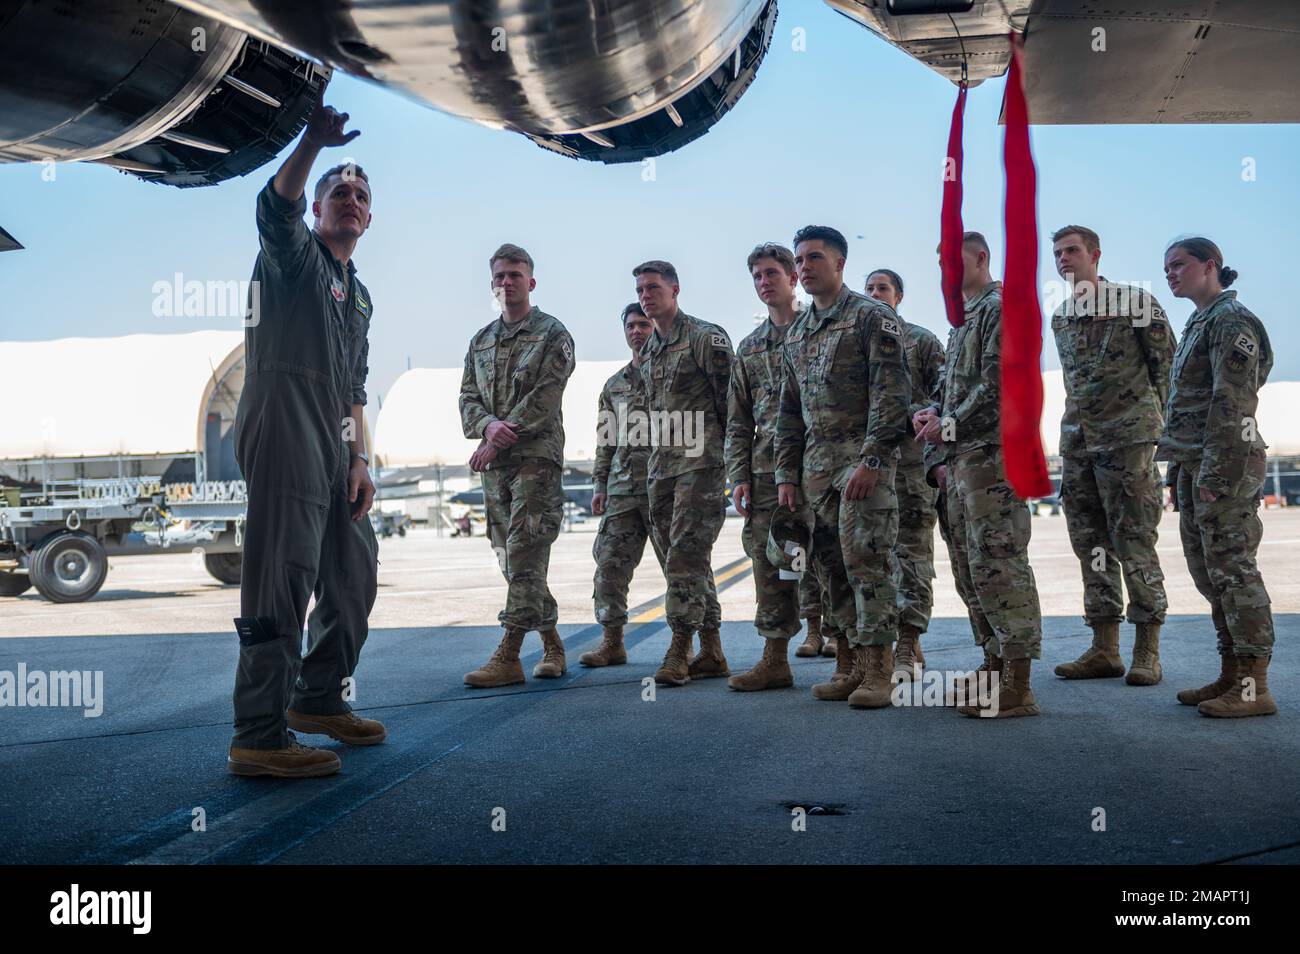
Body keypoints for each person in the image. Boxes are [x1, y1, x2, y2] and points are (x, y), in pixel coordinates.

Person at [228, 105, 383, 779]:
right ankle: (258, 734)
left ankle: (318, 700)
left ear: (369, 219)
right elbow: (274, 209)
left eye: (361, 195)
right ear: (319, 207)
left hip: (333, 438)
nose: (350, 200)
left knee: (352, 573)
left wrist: (359, 458)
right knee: (281, 579)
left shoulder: (361, 294)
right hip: (284, 422)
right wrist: (312, 143)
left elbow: (355, 384)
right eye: (338, 191)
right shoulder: (295, 257)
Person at [773, 226, 910, 709]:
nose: (804, 267)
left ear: (840, 263)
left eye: (814, 258)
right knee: (830, 569)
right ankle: (848, 665)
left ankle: (880, 670)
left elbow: (892, 397)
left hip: (861, 470)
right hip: (816, 475)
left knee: (866, 565)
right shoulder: (799, 332)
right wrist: (787, 477)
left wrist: (872, 460)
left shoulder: (872, 318)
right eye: (800, 260)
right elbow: (788, 414)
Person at [915, 231, 1043, 718]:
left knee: (1000, 563)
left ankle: (1018, 684)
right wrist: (932, 414)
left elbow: (999, 382)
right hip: (963, 461)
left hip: (994, 458)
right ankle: (992, 664)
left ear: (981, 258)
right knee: (972, 569)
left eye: (953, 261)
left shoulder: (1001, 305)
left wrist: (945, 425)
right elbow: (953, 390)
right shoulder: (963, 320)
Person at [1049, 225, 1174, 685]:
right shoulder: (1061, 315)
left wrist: (1163, 433)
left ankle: (1147, 649)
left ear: (1095, 254)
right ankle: (1104, 647)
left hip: (1128, 440)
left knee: (1134, 540)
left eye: (1072, 250)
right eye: (1058, 253)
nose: (1064, 259)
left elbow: (1167, 369)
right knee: (1091, 545)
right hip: (1079, 445)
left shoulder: (1135, 303)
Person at [1158, 236, 1276, 717]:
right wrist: (1178, 470)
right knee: (1210, 574)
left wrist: (1216, 470)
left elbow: (1235, 401)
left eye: (1179, 265)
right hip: (1195, 462)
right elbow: (1186, 406)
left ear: (1210, 266)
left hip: (1223, 463)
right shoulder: (1198, 321)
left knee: (1234, 571)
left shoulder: (1232, 320)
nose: (1170, 273)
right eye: (1165, 267)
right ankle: (1232, 674)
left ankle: (1255, 689)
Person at [459, 244, 576, 688]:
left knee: (526, 552)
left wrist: (501, 436)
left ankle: (508, 655)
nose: (507, 282)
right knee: (511, 560)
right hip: (495, 468)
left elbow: (545, 397)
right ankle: (552, 646)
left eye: (515, 275)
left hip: (535, 462)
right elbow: (467, 398)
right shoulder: (481, 341)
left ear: (532, 282)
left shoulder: (552, 334)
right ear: (493, 284)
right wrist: (487, 428)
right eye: (500, 276)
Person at [726, 244, 826, 691]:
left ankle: (849, 654)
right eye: (757, 276)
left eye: (771, 273)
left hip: (822, 466)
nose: (764, 282)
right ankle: (774, 657)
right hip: (767, 474)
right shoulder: (748, 348)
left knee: (828, 560)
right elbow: (738, 419)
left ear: (792, 277)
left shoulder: (821, 329)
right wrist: (739, 476)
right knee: (771, 566)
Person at [635, 260, 732, 686]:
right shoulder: (650, 349)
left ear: (675, 289)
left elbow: (732, 404)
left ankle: (680, 645)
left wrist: (734, 462)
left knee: (686, 557)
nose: (646, 295)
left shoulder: (704, 337)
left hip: (702, 463)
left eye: (653, 287)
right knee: (683, 559)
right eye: (640, 289)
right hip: (662, 468)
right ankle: (712, 650)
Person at [864, 268, 944, 680]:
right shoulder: (856, 339)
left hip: (911, 466)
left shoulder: (922, 340)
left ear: (899, 296)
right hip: (868, 466)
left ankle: (909, 643)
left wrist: (912, 412)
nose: (876, 294)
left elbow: (944, 396)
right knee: (871, 556)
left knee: (911, 554)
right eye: (870, 288)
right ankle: (874, 645)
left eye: (883, 288)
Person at [584, 302, 666, 666]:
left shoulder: (671, 375)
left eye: (644, 325)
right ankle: (612, 641)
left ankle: (699, 644)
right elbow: (606, 438)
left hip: (666, 487)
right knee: (609, 566)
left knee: (683, 569)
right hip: (622, 491)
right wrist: (600, 484)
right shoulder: (614, 385)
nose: (637, 331)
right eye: (631, 326)